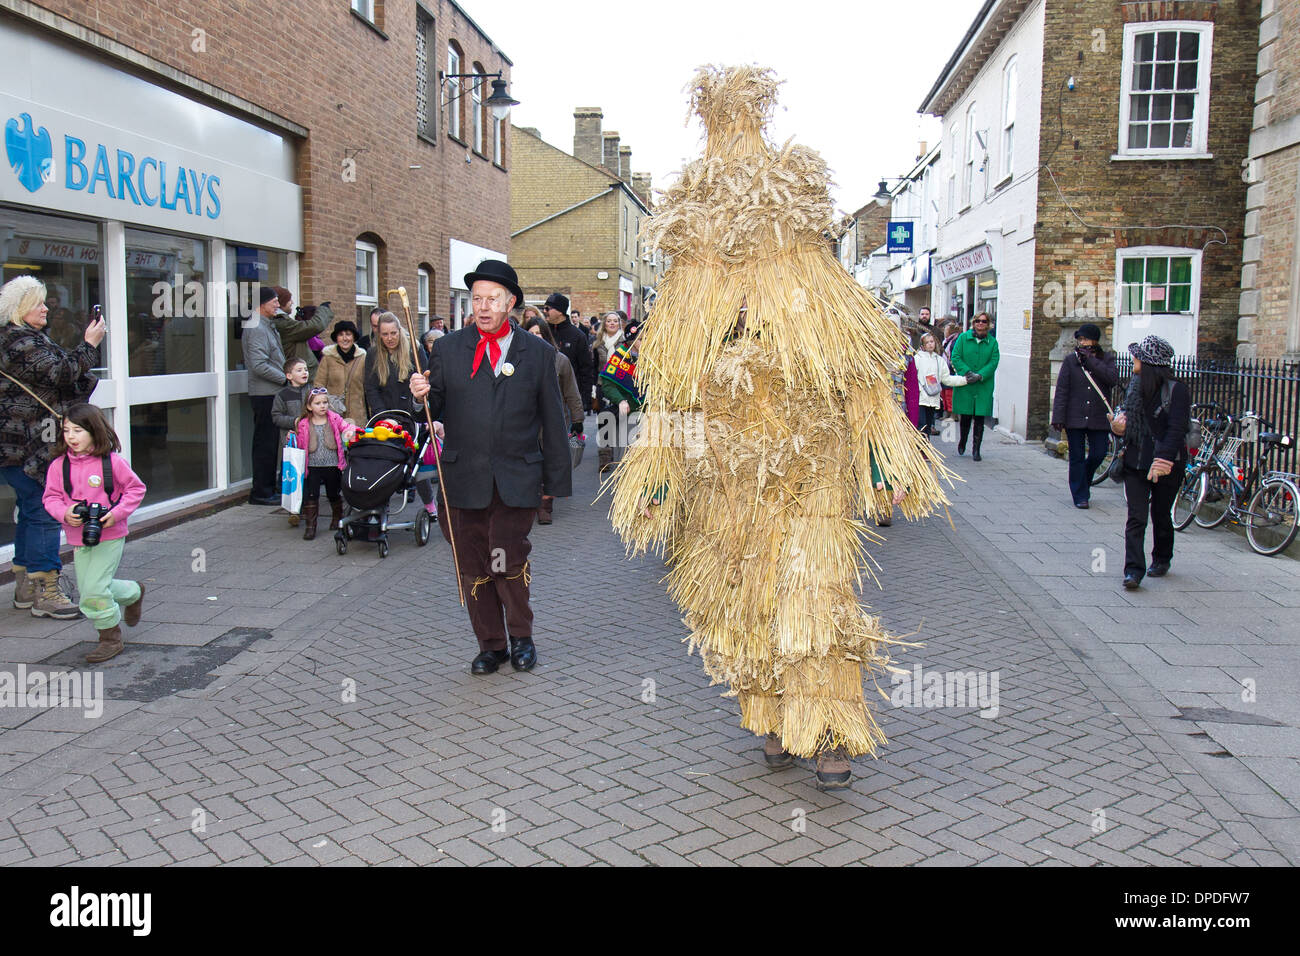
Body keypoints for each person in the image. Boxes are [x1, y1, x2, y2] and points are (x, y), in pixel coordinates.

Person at [409, 260, 571, 675]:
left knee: (505, 556)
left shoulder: (537, 354)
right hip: (464, 477)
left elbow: (554, 420)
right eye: (477, 298)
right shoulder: (447, 348)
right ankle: (491, 645)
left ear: (511, 302)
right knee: (473, 561)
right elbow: (435, 405)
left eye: (492, 299)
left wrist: (554, 482)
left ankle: (521, 638)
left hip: (516, 477)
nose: (483, 307)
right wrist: (419, 395)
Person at [0, 275, 104, 619]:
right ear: (19, 309)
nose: (47, 308)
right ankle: (47, 589)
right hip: (29, 443)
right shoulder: (17, 341)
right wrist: (89, 344)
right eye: (39, 303)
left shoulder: (26, 338)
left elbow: (70, 378)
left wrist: (82, 359)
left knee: (32, 508)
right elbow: (62, 373)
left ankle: (26, 585)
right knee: (45, 510)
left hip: (27, 442)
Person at [42, 404, 147, 663]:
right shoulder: (59, 466)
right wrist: (65, 512)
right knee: (95, 585)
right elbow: (51, 497)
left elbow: (136, 489)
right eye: (66, 430)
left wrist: (117, 513)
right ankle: (134, 592)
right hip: (79, 536)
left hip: (110, 535)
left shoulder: (112, 462)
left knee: (92, 591)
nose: (71, 436)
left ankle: (110, 637)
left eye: (78, 430)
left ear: (94, 431)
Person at [1113, 335, 1189, 590]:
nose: (1133, 358)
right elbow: (1123, 418)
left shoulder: (1177, 390)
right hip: (1135, 460)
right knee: (1136, 517)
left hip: (1167, 463)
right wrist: (1117, 427)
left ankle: (1162, 557)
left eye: (1137, 355)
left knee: (1160, 513)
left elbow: (1177, 429)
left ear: (1148, 362)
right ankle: (1133, 571)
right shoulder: (1134, 386)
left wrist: (1164, 459)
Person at [364, 313, 436, 516]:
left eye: (393, 333)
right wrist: (381, 414)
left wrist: (424, 411)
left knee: (415, 463)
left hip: (412, 413)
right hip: (386, 415)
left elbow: (426, 379)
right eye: (385, 334)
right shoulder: (373, 354)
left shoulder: (414, 350)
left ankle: (430, 505)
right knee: (384, 461)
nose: (389, 338)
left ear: (400, 331)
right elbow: (371, 388)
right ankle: (381, 506)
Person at [1051, 323, 1119, 508]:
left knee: (1098, 454)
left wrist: (1091, 361)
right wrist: (1058, 417)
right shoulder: (1071, 361)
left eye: (1086, 339)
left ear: (1095, 341)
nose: (1083, 343)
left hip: (1098, 416)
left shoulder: (1107, 359)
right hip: (1075, 416)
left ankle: (1085, 479)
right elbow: (1062, 390)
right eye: (1080, 339)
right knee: (1077, 457)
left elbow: (1112, 379)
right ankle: (1080, 495)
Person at [523, 316, 583, 525]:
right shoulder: (517, 361)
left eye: (538, 333)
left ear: (546, 335)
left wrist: (578, 419)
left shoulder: (560, 360)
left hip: (553, 421)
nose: (535, 338)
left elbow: (571, 393)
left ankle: (545, 505)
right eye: (530, 334)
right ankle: (530, 500)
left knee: (551, 464)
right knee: (529, 464)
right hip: (526, 420)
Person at [242, 286, 288, 504]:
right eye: (274, 302)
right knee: (265, 445)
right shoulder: (257, 328)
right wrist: (285, 379)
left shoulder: (267, 325)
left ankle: (269, 488)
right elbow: (259, 365)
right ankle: (261, 492)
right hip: (265, 395)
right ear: (262, 304)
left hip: (272, 393)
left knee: (271, 444)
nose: (278, 305)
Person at [294, 388, 356, 540]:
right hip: (312, 466)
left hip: (332, 464)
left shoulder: (334, 418)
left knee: (333, 493)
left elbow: (347, 427)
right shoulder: (303, 423)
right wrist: (292, 437)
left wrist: (350, 432)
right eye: (318, 403)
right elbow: (299, 442)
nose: (322, 406)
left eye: (325, 402)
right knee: (311, 495)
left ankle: (337, 517)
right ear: (309, 407)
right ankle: (310, 526)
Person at [949, 312, 1000, 460]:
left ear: (988, 324)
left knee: (979, 417)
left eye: (984, 321)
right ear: (973, 323)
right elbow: (956, 356)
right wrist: (967, 372)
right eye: (978, 321)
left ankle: (976, 449)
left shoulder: (993, 342)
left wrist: (981, 374)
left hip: (983, 385)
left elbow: (994, 361)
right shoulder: (963, 338)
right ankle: (963, 441)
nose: (980, 324)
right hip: (966, 383)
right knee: (965, 415)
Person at [543, 293, 596, 421]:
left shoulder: (577, 336)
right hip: (544, 396)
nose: (544, 311)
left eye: (548, 308)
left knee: (570, 438)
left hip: (568, 398)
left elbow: (586, 369)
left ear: (560, 311)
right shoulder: (543, 332)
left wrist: (584, 399)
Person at [913, 332, 966, 437]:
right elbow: (913, 378)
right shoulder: (917, 358)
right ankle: (921, 450)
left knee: (928, 427)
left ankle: (926, 449)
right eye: (927, 342)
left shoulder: (939, 360)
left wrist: (964, 380)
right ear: (922, 345)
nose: (930, 344)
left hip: (933, 398)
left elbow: (946, 379)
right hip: (920, 398)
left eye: (931, 341)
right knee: (920, 426)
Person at [314, 321, 368, 424]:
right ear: (336, 338)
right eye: (340, 335)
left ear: (353, 337)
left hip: (357, 416)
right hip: (333, 415)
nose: (345, 338)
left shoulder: (362, 358)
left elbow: (368, 388)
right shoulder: (327, 358)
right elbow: (319, 385)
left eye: (348, 334)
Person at [270, 288, 330, 378]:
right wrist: (324, 310)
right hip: (299, 378)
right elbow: (315, 326)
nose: (292, 302)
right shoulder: (282, 323)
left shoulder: (282, 321)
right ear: (282, 302)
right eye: (289, 300)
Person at [592, 312, 625, 471]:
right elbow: (593, 368)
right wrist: (593, 391)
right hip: (602, 387)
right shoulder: (597, 344)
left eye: (615, 321)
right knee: (604, 423)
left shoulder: (626, 343)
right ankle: (605, 460)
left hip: (621, 388)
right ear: (604, 324)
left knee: (622, 424)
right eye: (609, 321)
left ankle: (623, 460)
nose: (612, 324)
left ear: (619, 324)